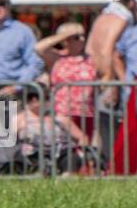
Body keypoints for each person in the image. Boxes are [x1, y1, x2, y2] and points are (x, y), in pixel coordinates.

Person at [35, 21, 98, 153]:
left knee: (87, 148)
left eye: (83, 36)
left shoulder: (91, 59)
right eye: (76, 37)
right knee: (75, 145)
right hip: (63, 113)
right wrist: (65, 35)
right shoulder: (57, 58)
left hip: (87, 112)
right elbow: (38, 48)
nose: (81, 40)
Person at [89, 0, 135, 81]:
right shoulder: (122, 20)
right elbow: (111, 51)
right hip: (110, 70)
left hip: (92, 67)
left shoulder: (100, 18)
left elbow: (89, 48)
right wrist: (111, 75)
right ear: (131, 2)